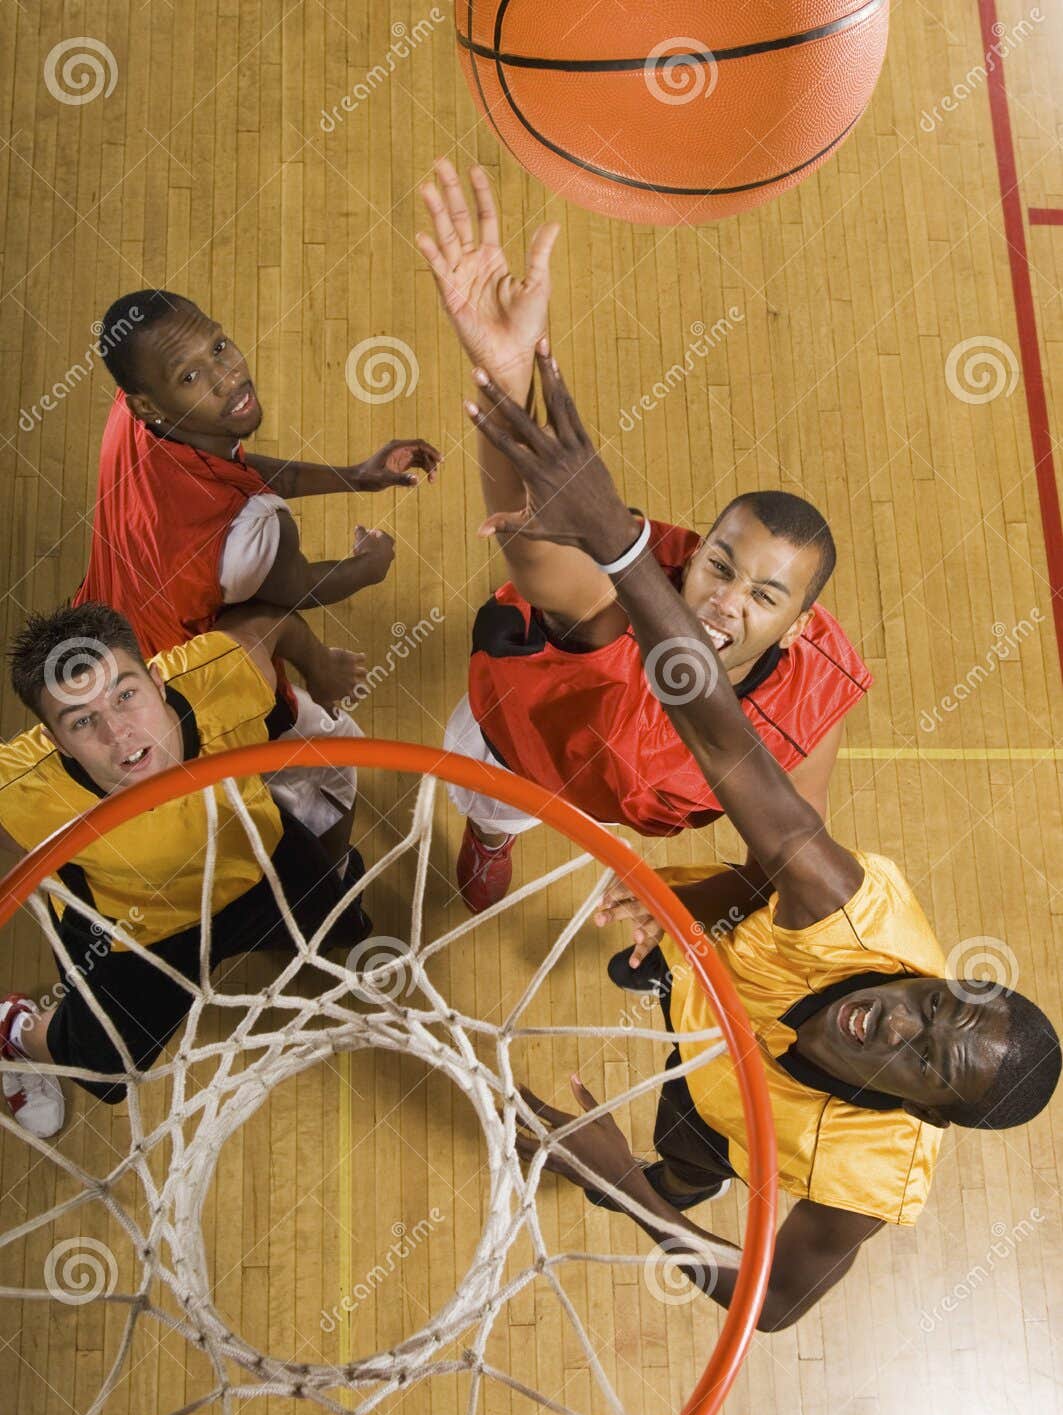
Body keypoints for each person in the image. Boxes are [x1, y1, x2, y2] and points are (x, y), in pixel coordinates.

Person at [465, 346, 1061, 1333]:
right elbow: (719, 734)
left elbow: (774, 1304)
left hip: (731, 1104)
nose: (900, 1020)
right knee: (686, 977)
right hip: (726, 980)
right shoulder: (844, 906)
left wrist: (623, 1184)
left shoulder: (871, 1179)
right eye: (935, 1002)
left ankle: (656, 1159)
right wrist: (615, 544)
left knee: (686, 1156)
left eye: (928, 1060)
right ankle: (666, 966)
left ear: (928, 1117)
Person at [417, 161, 870, 912]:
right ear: (691, 558)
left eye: (764, 595)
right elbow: (531, 536)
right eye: (719, 567)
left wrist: (695, 901)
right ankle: (493, 833)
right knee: (495, 796)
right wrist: (504, 376)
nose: (725, 601)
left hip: (632, 797)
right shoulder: (627, 584)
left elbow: (793, 844)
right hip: (525, 737)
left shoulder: (812, 694)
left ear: (798, 630)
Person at [77, 290, 442, 864]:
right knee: (332, 763)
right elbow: (296, 592)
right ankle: (326, 883)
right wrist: (368, 568)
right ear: (150, 403)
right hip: (185, 690)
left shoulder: (135, 415)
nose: (227, 378)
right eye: (194, 374)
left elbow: (234, 472)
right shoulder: (254, 532)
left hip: (105, 637)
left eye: (219, 346)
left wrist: (355, 477)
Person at [0, 602, 372, 1141]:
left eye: (125, 695)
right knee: (105, 1071)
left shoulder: (220, 675)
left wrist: (317, 663)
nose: (119, 734)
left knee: (340, 921)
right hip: (136, 934)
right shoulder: (22, 792)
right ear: (56, 742)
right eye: (83, 721)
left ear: (155, 681)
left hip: (254, 866)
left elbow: (271, 625)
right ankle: (17, 1031)